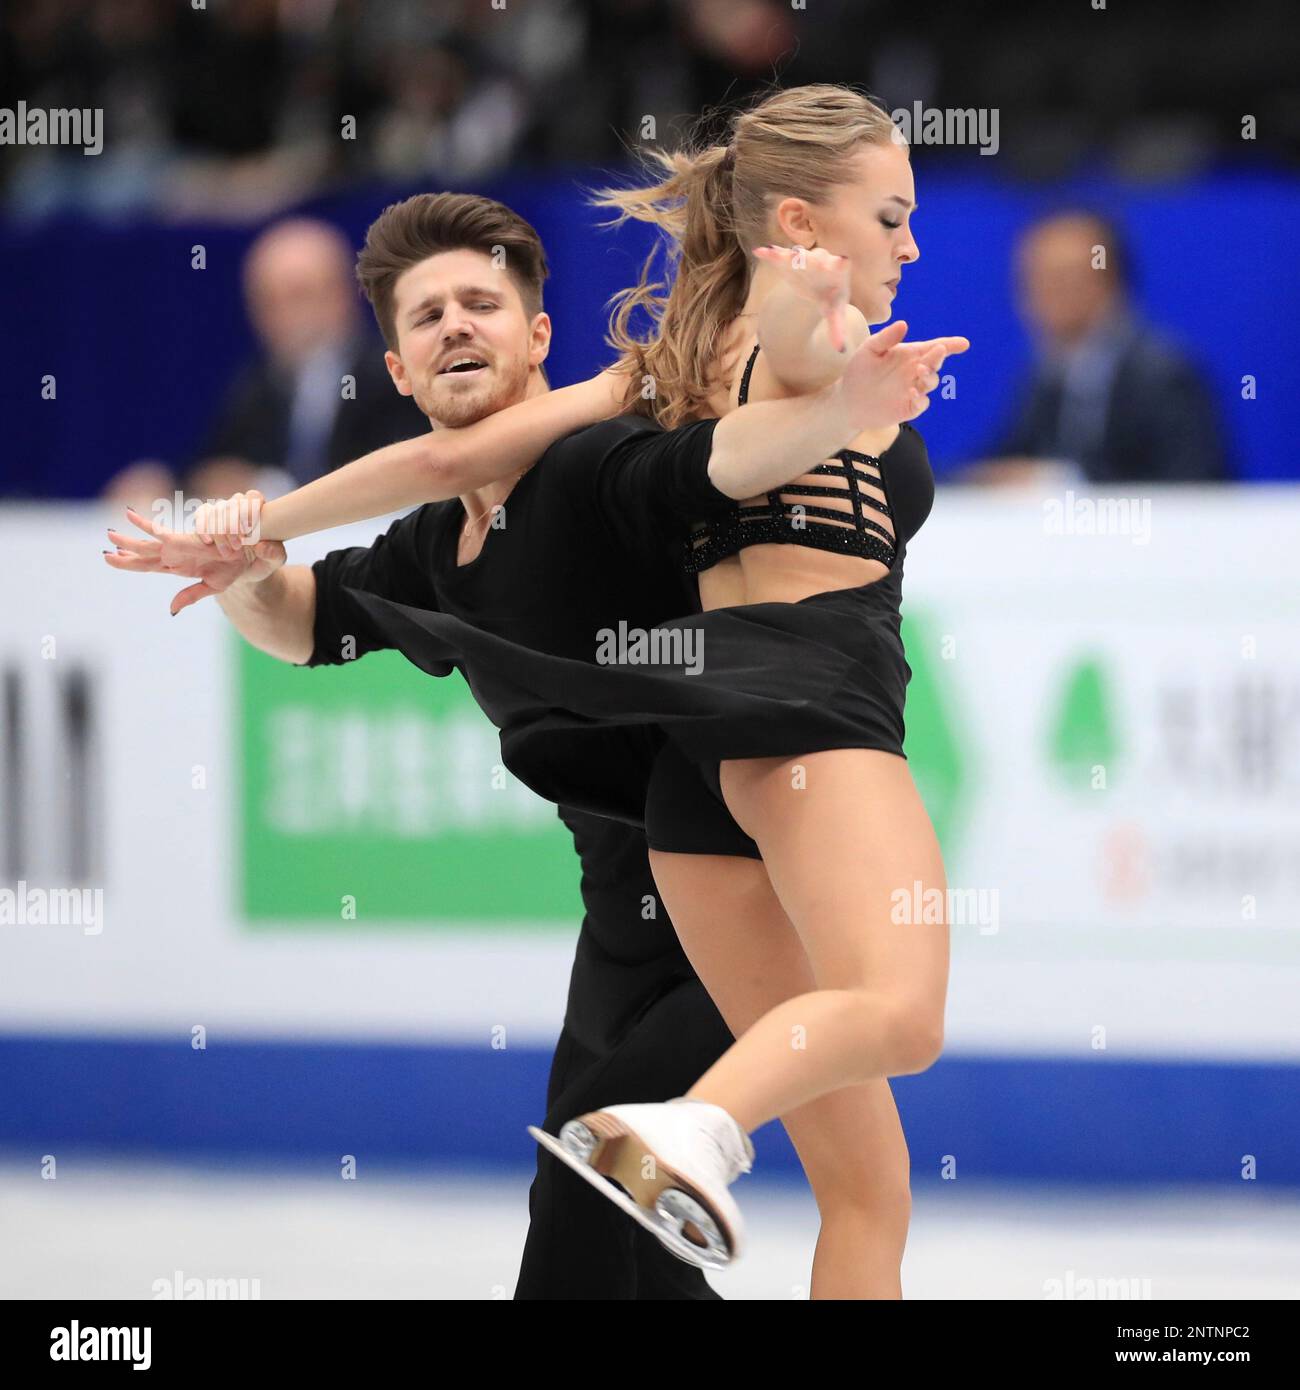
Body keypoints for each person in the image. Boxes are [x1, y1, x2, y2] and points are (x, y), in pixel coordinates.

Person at [105, 188, 958, 1297]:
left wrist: (829, 386)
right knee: (651, 1239)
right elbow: (308, 622)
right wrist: (246, 576)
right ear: (399, 370)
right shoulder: (431, 552)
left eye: (482, 304)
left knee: (606, 1218)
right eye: (427, 318)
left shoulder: (609, 467)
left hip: (735, 879)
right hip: (623, 921)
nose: (457, 325)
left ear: (538, 336)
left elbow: (717, 461)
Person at [967, 208, 1230, 485]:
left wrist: (1062, 481)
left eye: (1063, 278)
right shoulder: (1046, 376)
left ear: (1111, 278)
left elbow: (1193, 485)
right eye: (1032, 279)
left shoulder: (1164, 376)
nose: (1043, 295)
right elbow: (1010, 458)